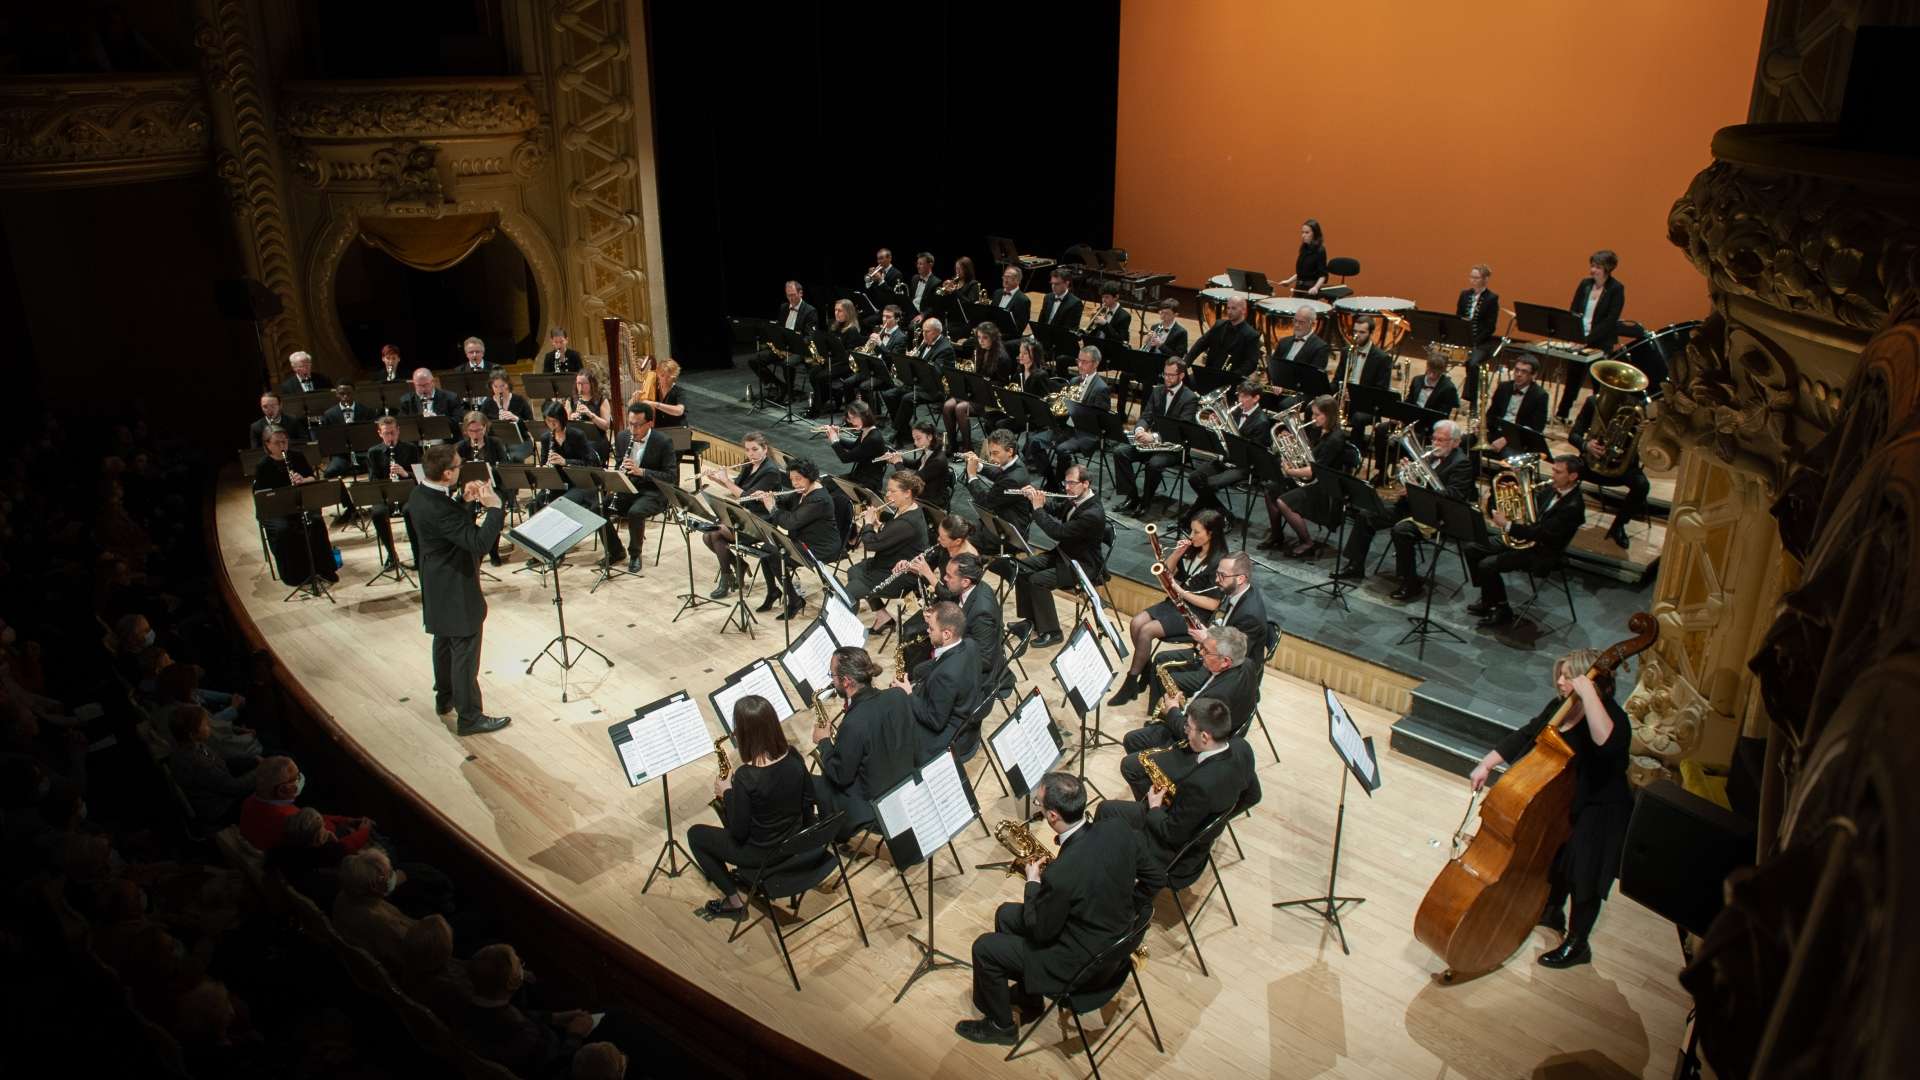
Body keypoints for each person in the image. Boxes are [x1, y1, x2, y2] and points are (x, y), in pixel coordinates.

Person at [956, 771, 1165, 1046]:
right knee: (1005, 915)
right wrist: (1127, 905)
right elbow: (1157, 878)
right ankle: (1030, 1002)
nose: (1039, 808)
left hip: (1080, 964)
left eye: (1040, 804)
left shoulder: (1061, 875)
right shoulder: (1118, 828)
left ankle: (1001, 1026)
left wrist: (1033, 882)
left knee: (984, 948)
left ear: (1053, 816)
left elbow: (1040, 931)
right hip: (1113, 939)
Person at [1467, 648, 1631, 968]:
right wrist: (1487, 764)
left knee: (1585, 875)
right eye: (1560, 674)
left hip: (1602, 808)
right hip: (1564, 801)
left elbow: (1605, 743)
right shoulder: (1560, 707)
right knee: (1555, 862)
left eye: (1567, 676)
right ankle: (1552, 913)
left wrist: (1590, 696)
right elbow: (1528, 734)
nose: (1559, 681)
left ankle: (1578, 943)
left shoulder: (1612, 717)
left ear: (1588, 680)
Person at [406, 445, 510, 736]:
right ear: (448, 473)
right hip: (453, 584)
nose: (462, 468)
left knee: (443, 642)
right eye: (458, 465)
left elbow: (449, 528)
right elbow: (477, 543)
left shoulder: (420, 493)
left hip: (435, 579)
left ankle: (445, 697)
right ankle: (470, 717)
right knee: (464, 649)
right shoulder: (439, 508)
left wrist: (464, 502)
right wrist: (494, 507)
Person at [689, 694, 815, 921]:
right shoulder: (794, 756)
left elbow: (738, 833)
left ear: (745, 733)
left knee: (696, 835)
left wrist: (726, 792)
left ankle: (734, 902)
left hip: (762, 855)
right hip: (794, 843)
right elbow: (809, 799)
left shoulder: (747, 777)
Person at [1099, 698, 1260, 873]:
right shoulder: (1243, 748)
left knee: (1106, 809)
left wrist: (1154, 807)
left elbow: (1169, 833)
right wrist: (1216, 821)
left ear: (1205, 737)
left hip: (1177, 854)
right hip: (1191, 827)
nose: (1186, 731)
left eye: (1189, 728)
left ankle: (1104, 869)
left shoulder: (1199, 785)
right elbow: (1254, 795)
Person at [1336, 419, 1477, 599]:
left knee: (1402, 531)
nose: (1435, 444)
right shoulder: (1430, 454)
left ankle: (1410, 583)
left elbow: (1453, 496)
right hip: (1409, 506)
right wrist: (1406, 475)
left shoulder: (1461, 463)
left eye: (1441, 440)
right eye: (1434, 439)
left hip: (1435, 516)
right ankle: (1355, 566)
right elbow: (1415, 482)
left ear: (1456, 442)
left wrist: (1416, 488)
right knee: (1367, 514)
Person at [1109, 509, 1227, 706]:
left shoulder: (1218, 562)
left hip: (1194, 615)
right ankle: (1145, 672)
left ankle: (1130, 682)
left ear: (1211, 534)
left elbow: (1213, 603)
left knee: (1146, 631)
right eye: (1191, 531)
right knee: (1136, 622)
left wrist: (1181, 591)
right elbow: (1167, 572)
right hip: (1175, 604)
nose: (1192, 536)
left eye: (1197, 532)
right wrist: (1177, 553)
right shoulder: (1192, 549)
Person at [1465, 454, 1587, 627]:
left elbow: (1542, 533)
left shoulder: (1573, 507)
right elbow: (1528, 511)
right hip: (1525, 537)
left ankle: (1502, 609)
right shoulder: (1553, 488)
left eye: (1558, 472)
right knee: (1471, 548)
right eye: (1553, 470)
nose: (1552, 475)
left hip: (1543, 552)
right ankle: (1488, 598)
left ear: (1573, 476)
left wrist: (1507, 525)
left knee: (1487, 565)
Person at [811, 647, 919, 842]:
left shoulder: (854, 723)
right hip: (904, 788)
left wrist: (824, 742)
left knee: (812, 782)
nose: (831, 680)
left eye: (832, 675)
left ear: (847, 681)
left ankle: (828, 833)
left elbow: (841, 776)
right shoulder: (898, 696)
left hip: (874, 803)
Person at [1146, 553, 1268, 708]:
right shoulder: (1239, 593)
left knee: (1172, 677)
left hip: (1231, 673)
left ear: (1241, 579)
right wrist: (1211, 631)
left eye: (1222, 576)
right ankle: (1158, 714)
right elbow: (1229, 631)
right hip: (1217, 655)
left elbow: (1235, 656)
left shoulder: (1250, 615)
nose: (1217, 580)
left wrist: (1206, 638)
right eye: (1217, 573)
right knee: (1160, 659)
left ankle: (1171, 718)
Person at [1120, 626, 1258, 758]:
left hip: (1194, 749)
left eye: (1207, 651)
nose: (1201, 653)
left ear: (1225, 661)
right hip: (1221, 729)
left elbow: (1188, 734)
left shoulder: (1216, 697)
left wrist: (1173, 709)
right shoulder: (1247, 664)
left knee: (1132, 740)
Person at [1012, 465, 1106, 647]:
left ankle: (1052, 631)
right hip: (1064, 555)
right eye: (1066, 482)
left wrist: (1038, 509)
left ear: (1085, 484)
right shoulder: (1076, 498)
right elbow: (1056, 508)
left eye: (1072, 483)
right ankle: (1032, 620)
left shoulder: (1092, 514)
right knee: (1021, 567)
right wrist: (1037, 498)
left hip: (1082, 565)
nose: (1067, 487)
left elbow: (1058, 532)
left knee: (1037, 580)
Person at [1265, 394, 1359, 556]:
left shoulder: (1335, 439)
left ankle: (1307, 542)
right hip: (1312, 481)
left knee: (1283, 502)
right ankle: (1276, 535)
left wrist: (1290, 470)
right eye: (1313, 414)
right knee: (1271, 489)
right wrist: (1290, 441)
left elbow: (1312, 471)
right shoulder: (1318, 430)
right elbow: (1309, 454)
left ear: (1329, 415)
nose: (1313, 418)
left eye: (1317, 415)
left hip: (1325, 489)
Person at [698, 431, 786, 599]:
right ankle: (738, 567)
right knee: (707, 536)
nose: (751, 454)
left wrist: (725, 480)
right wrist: (716, 478)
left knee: (715, 534)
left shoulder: (771, 471)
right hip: (745, 515)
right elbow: (737, 487)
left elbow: (745, 497)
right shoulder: (750, 464)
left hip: (761, 522)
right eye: (747, 450)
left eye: (755, 449)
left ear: (765, 449)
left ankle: (730, 576)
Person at [751, 457, 840, 619]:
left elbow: (791, 523)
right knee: (766, 550)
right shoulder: (802, 492)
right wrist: (769, 497)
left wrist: (771, 506)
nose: (794, 484)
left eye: (798, 479)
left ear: (810, 476)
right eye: (792, 480)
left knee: (773, 553)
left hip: (820, 547)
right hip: (803, 542)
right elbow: (785, 502)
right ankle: (773, 592)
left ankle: (795, 600)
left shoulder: (818, 498)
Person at [1111, 359, 1199, 516]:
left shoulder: (1190, 398)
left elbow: (1181, 430)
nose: (1167, 378)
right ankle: (1132, 497)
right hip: (1152, 442)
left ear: (1182, 375)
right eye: (1165, 374)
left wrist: (1154, 437)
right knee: (1120, 452)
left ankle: (1146, 502)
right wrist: (1139, 429)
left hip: (1174, 448)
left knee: (1153, 464)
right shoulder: (1158, 390)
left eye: (1171, 375)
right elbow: (1147, 415)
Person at [897, 601, 983, 761]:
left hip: (948, 736)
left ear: (947, 634)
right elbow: (942, 661)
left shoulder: (946, 676)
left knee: (893, 730)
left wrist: (909, 694)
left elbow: (935, 721)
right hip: (965, 712)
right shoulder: (971, 644)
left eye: (931, 628)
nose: (927, 631)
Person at [252, 426, 335, 586]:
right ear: (268, 445)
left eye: (284, 442)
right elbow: (263, 497)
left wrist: (303, 481)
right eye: (277, 443)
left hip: (299, 503)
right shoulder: (263, 465)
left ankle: (324, 569)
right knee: (284, 529)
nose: (282, 446)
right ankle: (295, 575)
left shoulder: (297, 457)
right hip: (275, 510)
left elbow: (312, 478)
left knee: (316, 521)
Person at [239, 756, 373, 852]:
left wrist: (344, 820)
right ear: (282, 790)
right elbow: (335, 851)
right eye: (296, 778)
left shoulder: (250, 801)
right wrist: (363, 832)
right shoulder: (291, 823)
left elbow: (311, 821)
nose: (300, 780)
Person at [603, 401, 677, 574]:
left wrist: (642, 471)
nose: (633, 430)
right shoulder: (622, 437)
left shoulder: (663, 442)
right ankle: (615, 551)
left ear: (650, 424)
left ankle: (635, 554)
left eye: (638, 425)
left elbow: (671, 477)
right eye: (630, 424)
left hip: (654, 492)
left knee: (635, 512)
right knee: (597, 508)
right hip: (629, 488)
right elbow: (620, 465)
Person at [842, 471, 929, 613]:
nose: (887, 495)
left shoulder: (908, 522)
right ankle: (883, 617)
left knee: (848, 594)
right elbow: (892, 535)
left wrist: (868, 523)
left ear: (907, 493)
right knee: (853, 571)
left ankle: (847, 631)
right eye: (888, 490)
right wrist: (878, 525)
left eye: (892, 491)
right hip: (887, 563)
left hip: (900, 574)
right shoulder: (906, 509)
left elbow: (871, 544)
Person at [1571, 390, 1648, 549]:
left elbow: (1651, 449)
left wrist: (1644, 434)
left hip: (1622, 467)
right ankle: (1567, 516)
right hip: (1591, 463)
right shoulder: (1593, 402)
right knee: (1565, 468)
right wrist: (1587, 445)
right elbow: (1574, 435)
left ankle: (1619, 525)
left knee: (1642, 485)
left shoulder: (1640, 408)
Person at [1186, 381, 1272, 520]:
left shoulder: (1261, 422)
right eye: (1239, 396)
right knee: (1194, 478)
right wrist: (1217, 422)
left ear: (1256, 398)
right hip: (1226, 459)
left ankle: (1189, 517)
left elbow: (1255, 453)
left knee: (1209, 484)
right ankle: (1224, 514)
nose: (1240, 400)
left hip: (1244, 466)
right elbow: (1224, 434)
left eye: (1245, 397)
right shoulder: (1236, 411)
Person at [1559, 249, 1626, 422]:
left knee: (1598, 382)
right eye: (1592, 266)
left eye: (1597, 267)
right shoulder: (1585, 284)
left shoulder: (1616, 288)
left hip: (1601, 341)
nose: (1592, 270)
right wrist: (1574, 334)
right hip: (1580, 339)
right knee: (1573, 377)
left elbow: (1611, 320)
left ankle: (1598, 420)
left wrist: (1587, 340)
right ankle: (1562, 413)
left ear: (1607, 268)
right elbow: (1574, 310)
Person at [166, 705, 255, 827]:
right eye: (206, 725)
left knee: (251, 763)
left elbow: (220, 763)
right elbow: (234, 788)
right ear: (192, 734)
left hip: (216, 790)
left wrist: (252, 760)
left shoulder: (187, 746)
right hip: (221, 810)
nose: (210, 727)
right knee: (267, 784)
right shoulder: (199, 763)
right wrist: (262, 772)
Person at [333, 848, 416, 971]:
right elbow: (414, 956)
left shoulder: (344, 895)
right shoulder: (382, 923)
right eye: (389, 875)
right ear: (375, 886)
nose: (391, 878)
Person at [1336, 315, 1395, 471]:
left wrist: (1355, 396)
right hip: (1344, 400)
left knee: (1358, 418)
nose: (1357, 336)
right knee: (1319, 407)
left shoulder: (1382, 358)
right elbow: (1337, 379)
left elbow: (1380, 390)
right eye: (1355, 332)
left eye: (1361, 332)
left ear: (1371, 334)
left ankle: (1351, 460)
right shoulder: (1346, 351)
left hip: (1366, 405)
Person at [363, 415, 422, 569]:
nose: (390, 437)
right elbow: (372, 481)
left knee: (410, 510)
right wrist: (387, 481)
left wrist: (404, 473)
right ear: (379, 433)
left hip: (407, 494)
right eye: (386, 433)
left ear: (398, 431)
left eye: (393, 433)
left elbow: (421, 478)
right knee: (377, 513)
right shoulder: (373, 452)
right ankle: (392, 554)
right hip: (385, 496)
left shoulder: (411, 449)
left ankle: (418, 556)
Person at [960, 428, 1033, 548]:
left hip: (1008, 532)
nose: (991, 458)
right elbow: (998, 474)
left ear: (1009, 451)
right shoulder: (1015, 464)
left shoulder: (1013, 479)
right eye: (990, 453)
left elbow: (985, 503)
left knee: (959, 541)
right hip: (1000, 520)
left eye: (995, 453)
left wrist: (972, 476)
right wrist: (978, 465)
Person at [749, 280, 819, 404]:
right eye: (788, 295)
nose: (790, 298)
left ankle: (790, 393)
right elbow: (779, 328)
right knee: (755, 360)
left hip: (799, 349)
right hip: (782, 347)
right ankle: (781, 386)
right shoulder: (784, 307)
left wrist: (795, 344)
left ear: (800, 293)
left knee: (788, 363)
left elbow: (810, 336)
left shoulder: (810, 310)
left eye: (793, 295)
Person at [944, 322, 1007, 452]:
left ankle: (968, 447)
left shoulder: (1002, 357)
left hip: (989, 398)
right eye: (979, 337)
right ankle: (952, 444)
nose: (981, 341)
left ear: (993, 338)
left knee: (961, 408)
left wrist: (982, 382)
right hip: (975, 393)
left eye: (985, 338)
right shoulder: (980, 351)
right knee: (948, 405)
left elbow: (1002, 385)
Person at [810, 299, 866, 418]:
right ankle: (833, 394)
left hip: (847, 365)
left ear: (848, 312)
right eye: (835, 310)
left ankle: (817, 408)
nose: (836, 313)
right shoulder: (834, 326)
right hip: (835, 361)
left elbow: (848, 355)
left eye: (840, 311)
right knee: (813, 373)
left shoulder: (852, 330)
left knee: (821, 376)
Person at [1483, 356, 1550, 454]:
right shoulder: (1503, 387)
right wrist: (1482, 427)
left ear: (1534, 375)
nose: (1518, 374)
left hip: (1519, 439)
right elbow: (1492, 413)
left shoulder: (1540, 396)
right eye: (1517, 370)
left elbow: (1536, 428)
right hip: (1496, 431)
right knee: (1466, 441)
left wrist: (1506, 439)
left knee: (1508, 455)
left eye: (1524, 372)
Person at [1182, 294, 1261, 377]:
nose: (1229, 312)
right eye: (1228, 308)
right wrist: (1186, 363)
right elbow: (1201, 344)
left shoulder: (1251, 335)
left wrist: (1233, 377)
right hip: (1209, 372)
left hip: (1231, 378)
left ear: (1244, 310)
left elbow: (1251, 363)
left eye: (1233, 308)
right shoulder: (1219, 325)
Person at [1457, 264, 1501, 407]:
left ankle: (1472, 402)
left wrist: (1475, 341)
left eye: (1476, 278)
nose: (1473, 281)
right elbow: (1458, 317)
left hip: (1482, 342)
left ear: (1485, 279)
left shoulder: (1492, 299)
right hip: (1463, 338)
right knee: (1439, 355)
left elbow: (1490, 327)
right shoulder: (1464, 295)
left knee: (1473, 363)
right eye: (1472, 277)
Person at [883, 420, 952, 509]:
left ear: (930, 437)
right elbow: (916, 464)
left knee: (899, 493)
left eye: (918, 438)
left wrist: (898, 463)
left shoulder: (937, 460)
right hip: (923, 491)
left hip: (931, 500)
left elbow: (912, 482)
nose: (915, 443)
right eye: (914, 439)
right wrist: (899, 458)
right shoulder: (930, 450)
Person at [822, 399, 888, 491]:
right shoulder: (866, 431)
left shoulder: (873, 438)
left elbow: (845, 458)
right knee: (825, 482)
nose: (852, 422)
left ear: (865, 416)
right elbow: (854, 447)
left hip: (868, 482)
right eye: (850, 418)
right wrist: (837, 437)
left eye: (854, 418)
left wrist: (835, 441)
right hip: (859, 475)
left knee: (830, 489)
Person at [1266, 306, 1330, 383]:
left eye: (1301, 322)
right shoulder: (1284, 342)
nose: (1296, 325)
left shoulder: (1321, 347)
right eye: (1295, 321)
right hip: (1277, 385)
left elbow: (1313, 377)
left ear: (1313, 324)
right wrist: (1275, 382)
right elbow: (1273, 367)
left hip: (1300, 389)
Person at [1404, 347, 1462, 431]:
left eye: (1435, 373)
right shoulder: (1417, 380)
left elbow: (1442, 415)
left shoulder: (1448, 388)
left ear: (1442, 371)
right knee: (1382, 428)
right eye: (1429, 371)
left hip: (1430, 427)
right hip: (1411, 420)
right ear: (1427, 366)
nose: (1431, 375)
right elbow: (1409, 401)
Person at [317, 384, 369, 477]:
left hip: (363, 453)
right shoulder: (329, 414)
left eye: (349, 393)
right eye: (342, 394)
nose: (345, 397)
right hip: (341, 454)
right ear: (337, 394)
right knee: (330, 473)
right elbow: (326, 440)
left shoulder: (366, 410)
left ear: (354, 393)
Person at [565, 370, 614, 459]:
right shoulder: (571, 400)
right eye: (578, 383)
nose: (580, 386)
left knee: (587, 450)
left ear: (591, 383)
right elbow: (563, 423)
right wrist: (570, 418)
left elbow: (606, 426)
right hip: (576, 439)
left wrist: (590, 414)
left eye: (583, 383)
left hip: (596, 440)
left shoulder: (601, 400)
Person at [1277, 218, 1329, 297]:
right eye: (1302, 232)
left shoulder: (1320, 250)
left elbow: (1323, 275)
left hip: (1310, 289)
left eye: (1307, 232)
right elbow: (1302, 272)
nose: (1303, 235)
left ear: (1315, 233)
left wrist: (1316, 287)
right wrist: (1289, 281)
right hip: (1299, 286)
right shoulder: (1304, 248)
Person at [1082, 280, 1131, 347]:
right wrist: (1092, 322)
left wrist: (1105, 324)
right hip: (1097, 346)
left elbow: (1121, 340)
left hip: (1110, 349)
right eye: (1102, 297)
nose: (1103, 300)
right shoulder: (1101, 310)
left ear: (1116, 297)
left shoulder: (1124, 316)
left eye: (1107, 297)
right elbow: (1094, 333)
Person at [450, 336, 493, 408]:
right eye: (471, 352)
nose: (474, 355)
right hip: (467, 408)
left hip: (490, 407)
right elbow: (456, 395)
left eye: (477, 352)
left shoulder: (495, 368)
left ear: (483, 353)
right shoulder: (459, 370)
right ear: (466, 354)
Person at [991, 263, 1031, 331]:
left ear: (1018, 280)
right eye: (1004, 277)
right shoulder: (997, 293)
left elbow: (1019, 328)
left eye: (1009, 277)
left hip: (1007, 337)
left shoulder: (1023, 300)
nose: (1005, 280)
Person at [906, 252, 943, 319]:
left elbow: (934, 307)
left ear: (930, 265)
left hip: (923, 315)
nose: (918, 266)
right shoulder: (915, 278)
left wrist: (922, 315)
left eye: (921, 264)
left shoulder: (936, 282)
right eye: (917, 264)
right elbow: (911, 298)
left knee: (911, 326)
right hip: (910, 312)